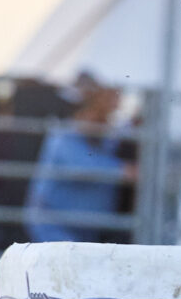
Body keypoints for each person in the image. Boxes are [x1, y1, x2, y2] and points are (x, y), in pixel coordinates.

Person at [25, 77, 131, 243]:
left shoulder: (105, 140)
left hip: (86, 232)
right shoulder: (64, 138)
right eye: (97, 112)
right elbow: (86, 167)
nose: (104, 120)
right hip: (55, 230)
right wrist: (125, 171)